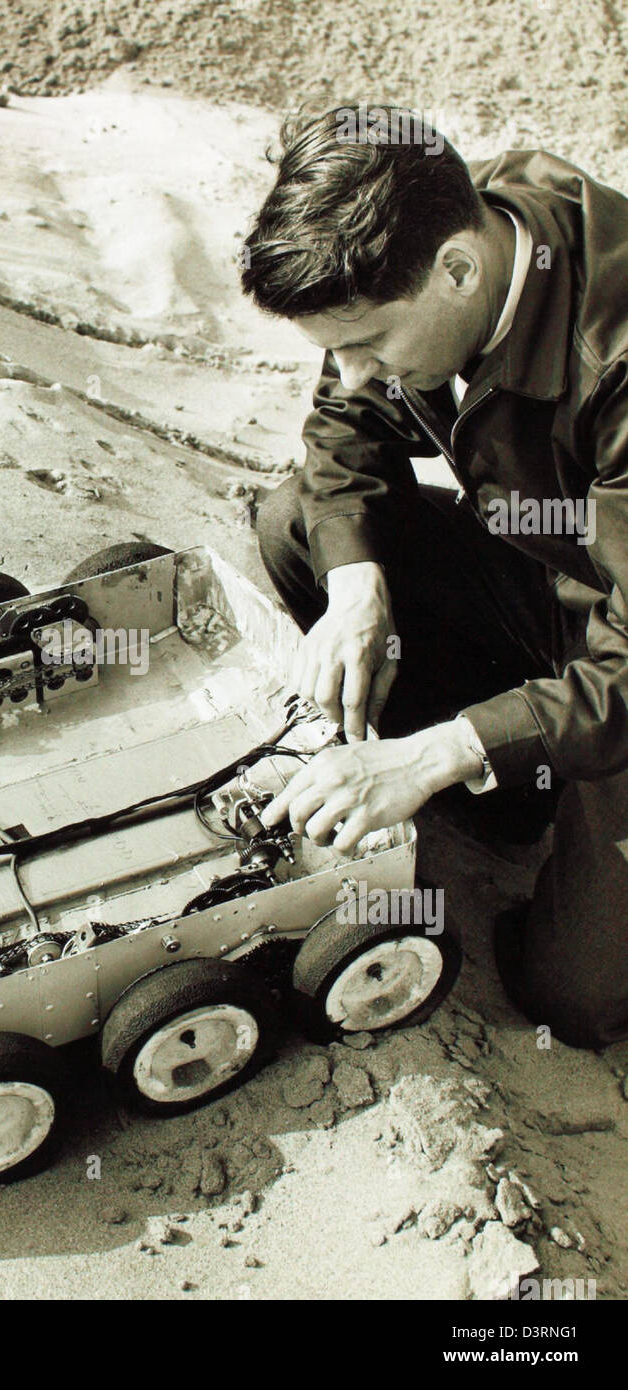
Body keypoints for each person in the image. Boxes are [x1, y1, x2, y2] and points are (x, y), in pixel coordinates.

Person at [240, 103, 628, 1049]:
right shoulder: (428, 231)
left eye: (368, 344)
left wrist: (431, 752)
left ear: (459, 272)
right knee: (305, 526)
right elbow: (340, 436)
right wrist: (358, 589)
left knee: (576, 996)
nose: (351, 371)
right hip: (561, 582)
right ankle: (520, 777)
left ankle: (516, 773)